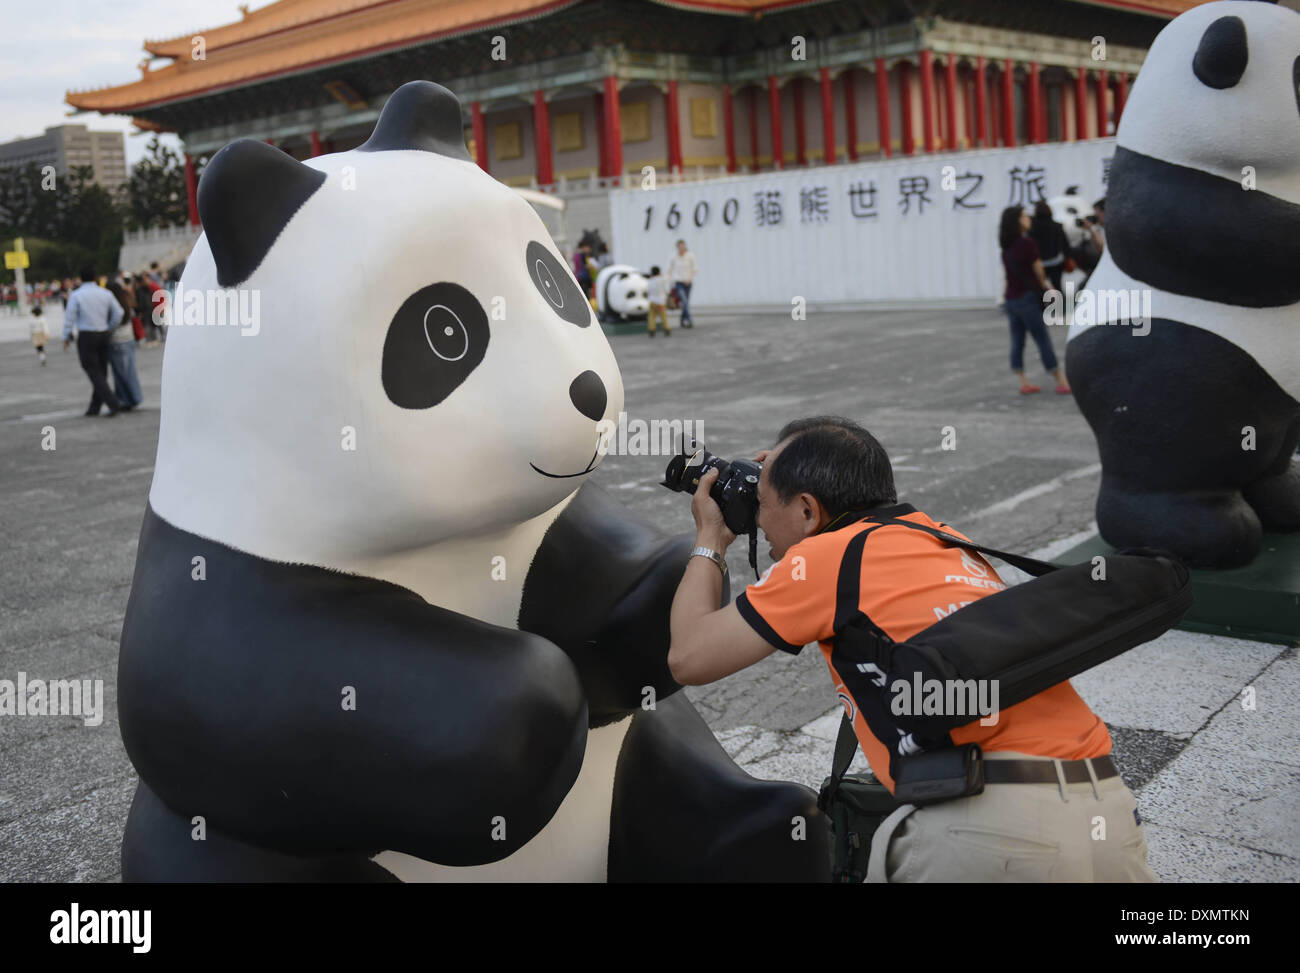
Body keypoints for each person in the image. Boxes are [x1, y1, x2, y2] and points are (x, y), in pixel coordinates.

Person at [666, 415, 1156, 883]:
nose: (759, 518)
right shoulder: (943, 538)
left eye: (764, 501)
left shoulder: (823, 557)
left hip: (993, 830)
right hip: (1105, 807)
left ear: (808, 510)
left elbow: (688, 657)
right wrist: (787, 469)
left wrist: (712, 536)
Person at [999, 206, 1069, 396]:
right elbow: (1039, 271)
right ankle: (1061, 380)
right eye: (1023, 216)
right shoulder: (1027, 244)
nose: (1028, 218)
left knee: (1017, 341)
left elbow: (1008, 276)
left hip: (1011, 300)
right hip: (1026, 299)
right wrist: (1047, 287)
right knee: (1042, 339)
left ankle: (1023, 381)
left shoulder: (1006, 249)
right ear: (1017, 221)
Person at [62, 265, 124, 417]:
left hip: (86, 335)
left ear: (80, 279)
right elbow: (119, 313)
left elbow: (69, 317)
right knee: (101, 371)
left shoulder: (77, 295)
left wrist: (66, 336)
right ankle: (94, 407)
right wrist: (110, 328)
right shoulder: (105, 293)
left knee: (92, 370)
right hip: (103, 333)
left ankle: (112, 402)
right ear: (96, 278)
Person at [106, 278, 144, 411]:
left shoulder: (113, 304)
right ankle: (135, 397)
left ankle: (126, 399)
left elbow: (116, 318)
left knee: (120, 373)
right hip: (129, 338)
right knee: (130, 371)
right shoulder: (126, 300)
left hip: (116, 340)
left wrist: (108, 329)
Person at [1028, 200, 1070, 294]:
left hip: (1038, 262)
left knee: (1040, 287)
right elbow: (1065, 245)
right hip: (1056, 261)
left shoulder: (1032, 228)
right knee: (1057, 286)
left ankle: (1042, 307)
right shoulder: (1057, 226)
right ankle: (1058, 307)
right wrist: (1068, 257)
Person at [667, 239, 697, 329]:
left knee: (686, 302)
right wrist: (670, 281)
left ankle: (682, 319)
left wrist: (690, 278)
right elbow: (669, 269)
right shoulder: (673, 257)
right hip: (678, 282)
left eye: (683, 246)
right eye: (680, 246)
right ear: (677, 247)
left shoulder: (690, 256)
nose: (682, 248)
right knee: (684, 301)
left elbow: (694, 268)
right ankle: (689, 320)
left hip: (688, 282)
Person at [646, 265, 670, 338]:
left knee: (651, 317)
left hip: (652, 302)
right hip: (660, 303)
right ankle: (666, 329)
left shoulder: (650, 280)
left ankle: (651, 330)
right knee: (663, 316)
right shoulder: (661, 279)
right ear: (659, 272)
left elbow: (648, 291)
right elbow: (668, 277)